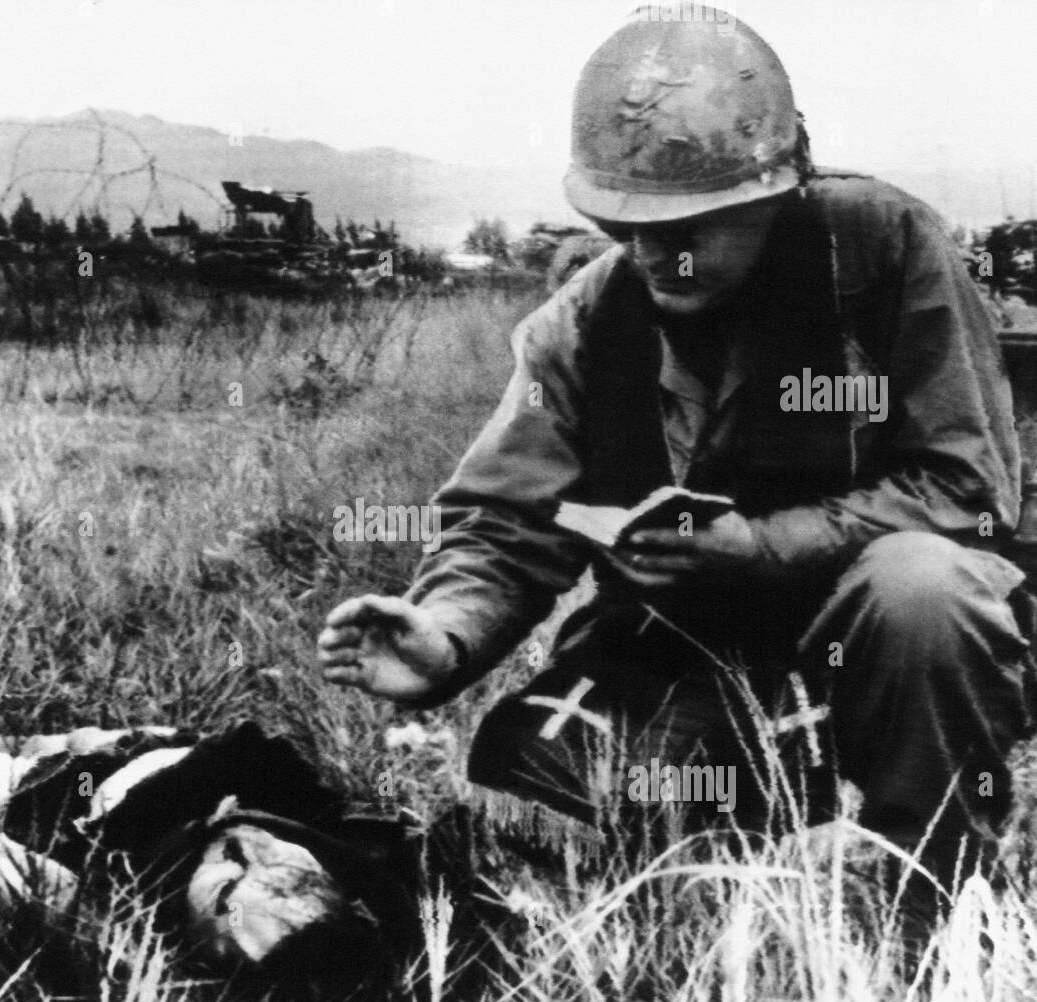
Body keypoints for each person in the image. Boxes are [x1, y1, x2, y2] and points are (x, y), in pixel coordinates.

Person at [318, 10, 1035, 928]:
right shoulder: (586, 319)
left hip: (876, 631)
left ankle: (926, 897)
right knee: (544, 792)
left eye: (694, 224)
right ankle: (747, 847)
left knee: (927, 589)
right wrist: (446, 634)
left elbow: (967, 492)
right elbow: (505, 521)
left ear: (781, 189)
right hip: (688, 646)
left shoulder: (886, 250)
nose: (659, 253)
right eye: (628, 227)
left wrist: (761, 546)